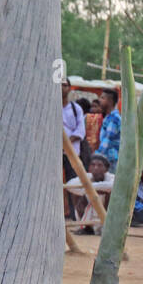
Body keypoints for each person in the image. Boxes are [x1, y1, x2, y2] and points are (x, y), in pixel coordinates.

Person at [65, 153, 114, 234]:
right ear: (89, 168)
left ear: (106, 169)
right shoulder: (87, 176)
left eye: (100, 165)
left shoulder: (111, 177)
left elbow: (111, 186)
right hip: (89, 209)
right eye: (93, 165)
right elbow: (70, 185)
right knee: (77, 194)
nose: (96, 168)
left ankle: (106, 225)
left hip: (106, 212)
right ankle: (87, 227)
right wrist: (93, 190)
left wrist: (89, 188)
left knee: (109, 193)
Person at [61, 79, 86, 220]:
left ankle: (74, 214)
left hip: (71, 152)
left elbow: (80, 131)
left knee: (73, 184)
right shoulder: (50, 107)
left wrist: (66, 143)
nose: (61, 88)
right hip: (53, 153)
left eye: (64, 85)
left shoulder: (76, 109)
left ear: (69, 88)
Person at [96, 87, 122, 171]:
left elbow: (108, 139)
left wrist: (97, 155)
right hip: (107, 158)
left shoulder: (114, 118)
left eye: (102, 98)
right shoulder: (108, 117)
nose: (99, 100)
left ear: (110, 101)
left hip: (110, 159)